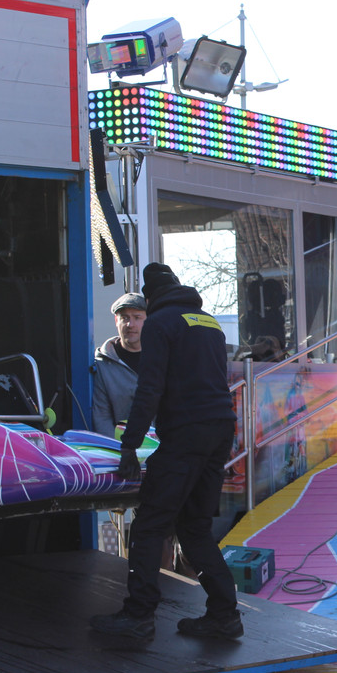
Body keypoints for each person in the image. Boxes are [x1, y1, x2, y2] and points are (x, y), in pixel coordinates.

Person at [91, 263, 242, 643]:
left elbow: (150, 388)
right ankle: (225, 615)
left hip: (186, 435)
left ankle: (138, 617)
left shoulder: (161, 322)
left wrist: (129, 444)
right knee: (195, 528)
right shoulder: (207, 321)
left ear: (151, 295)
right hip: (220, 429)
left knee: (149, 525)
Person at [92, 292, 147, 438]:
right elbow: (101, 416)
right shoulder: (102, 364)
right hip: (120, 451)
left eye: (137, 317)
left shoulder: (162, 359)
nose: (130, 324)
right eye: (124, 318)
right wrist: (120, 451)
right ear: (116, 321)